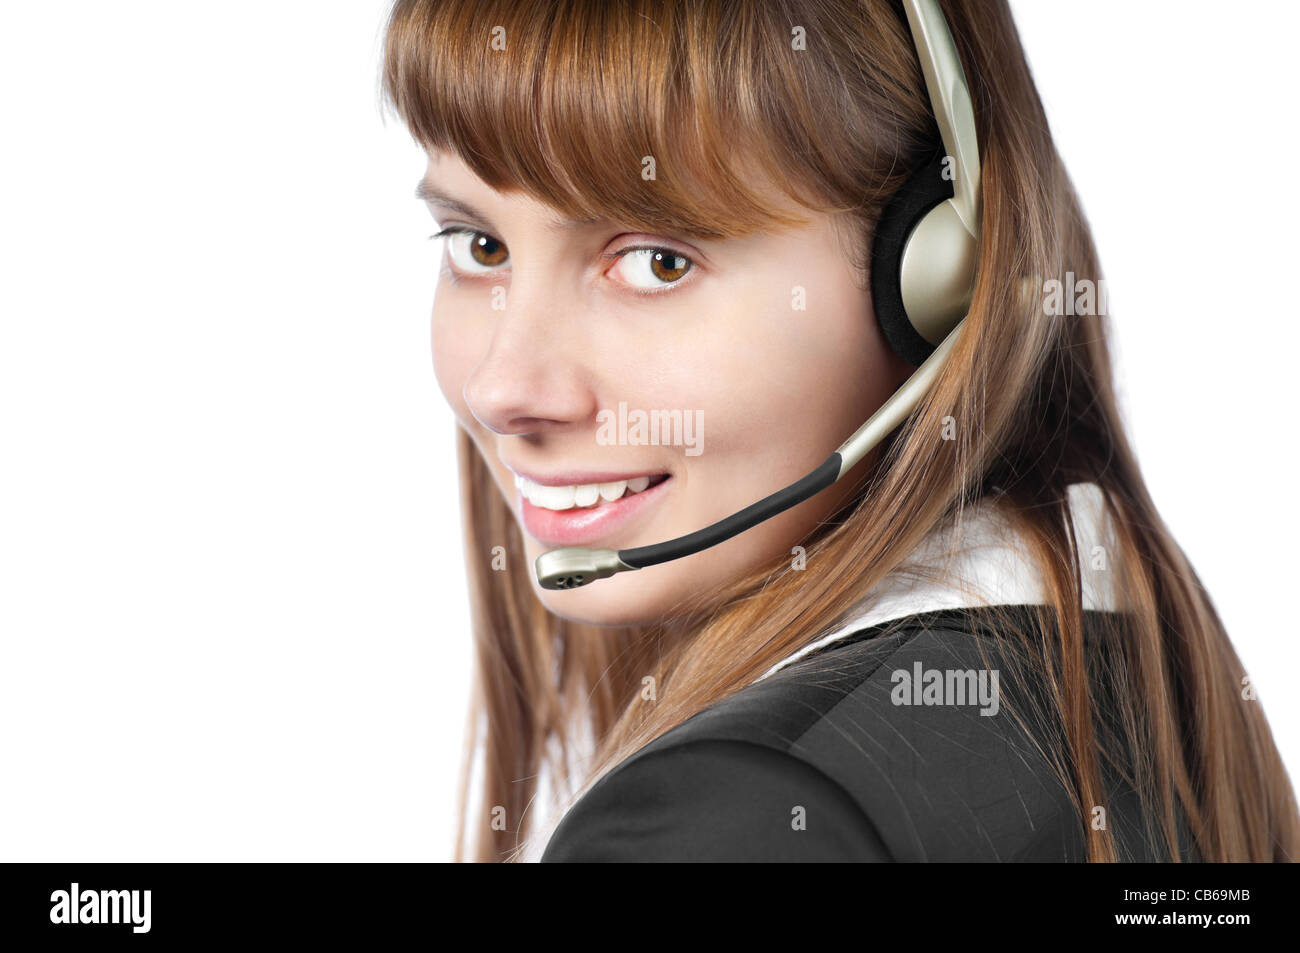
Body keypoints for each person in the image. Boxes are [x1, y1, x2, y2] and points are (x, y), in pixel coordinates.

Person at [380, 0, 1299, 862]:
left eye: (658, 260)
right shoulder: (1122, 674)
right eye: (478, 246)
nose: (504, 387)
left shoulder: (732, 816)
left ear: (931, 276)